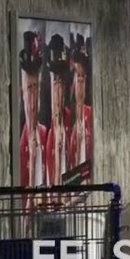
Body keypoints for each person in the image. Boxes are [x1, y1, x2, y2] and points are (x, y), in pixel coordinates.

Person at [18, 31, 49, 188]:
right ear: (22, 93)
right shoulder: (20, 145)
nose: (33, 96)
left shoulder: (44, 134)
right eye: (29, 88)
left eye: (35, 87)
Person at [45, 34, 72, 186]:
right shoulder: (46, 133)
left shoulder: (70, 119)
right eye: (55, 81)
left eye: (60, 82)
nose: (58, 89)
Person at [68, 34, 93, 181]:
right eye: (78, 77)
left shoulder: (90, 114)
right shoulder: (67, 117)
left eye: (84, 77)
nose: (81, 82)